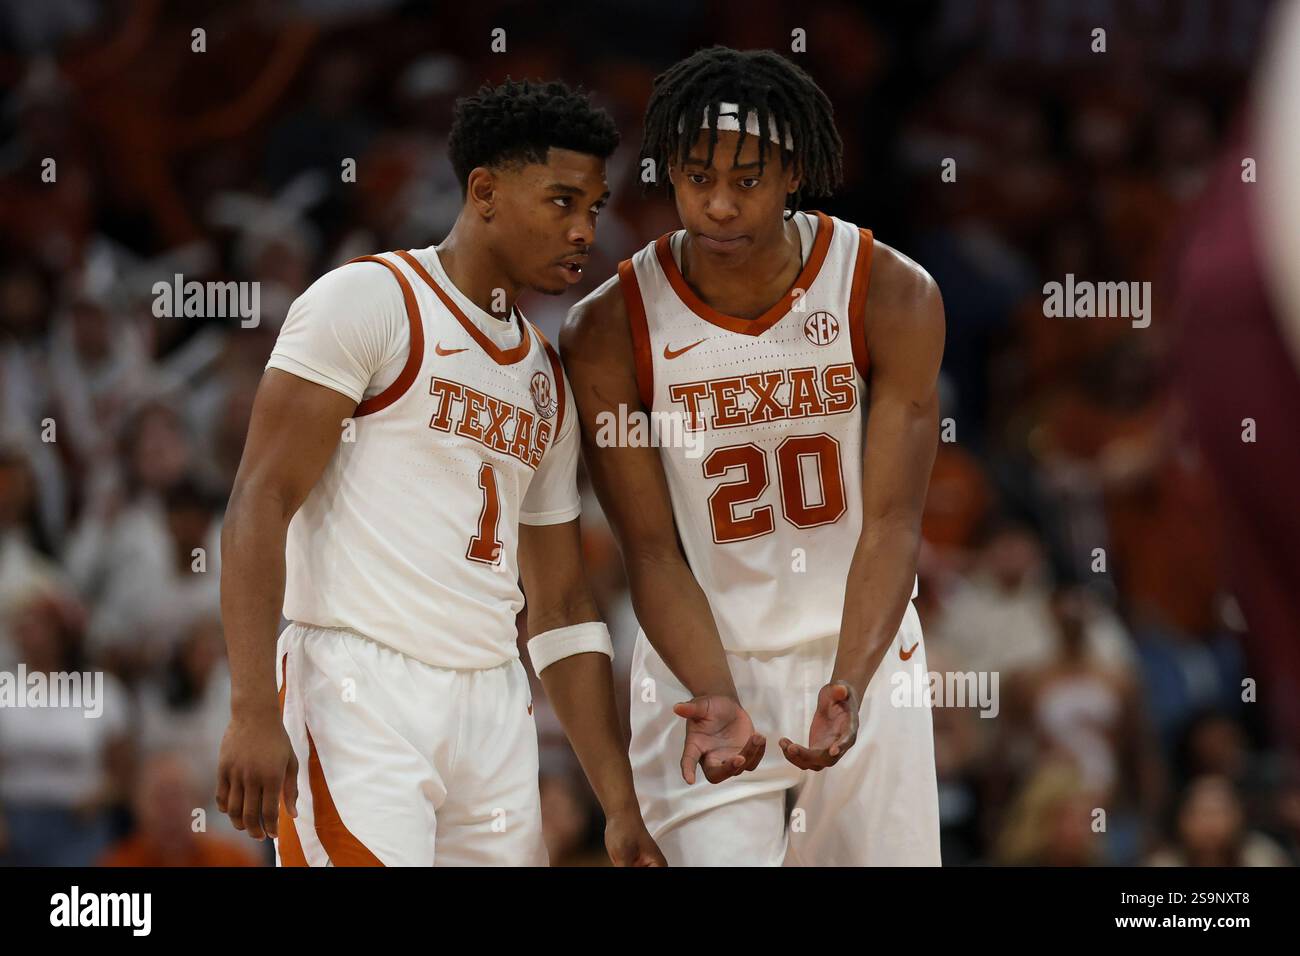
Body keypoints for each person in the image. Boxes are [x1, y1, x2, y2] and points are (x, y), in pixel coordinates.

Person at [216, 78, 663, 866]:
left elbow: (558, 602)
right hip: (360, 685)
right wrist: (252, 704)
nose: (583, 230)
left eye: (593, 208)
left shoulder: (545, 378)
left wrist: (618, 802)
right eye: (561, 202)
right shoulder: (369, 300)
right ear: (484, 191)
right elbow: (261, 498)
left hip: (493, 706)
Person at [562, 47, 944, 864]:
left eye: (747, 179)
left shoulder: (888, 290)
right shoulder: (605, 329)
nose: (721, 206)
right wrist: (718, 696)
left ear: (794, 170)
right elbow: (653, 553)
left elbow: (889, 524)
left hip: (860, 654)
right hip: (700, 666)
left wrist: (849, 683)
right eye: (697, 179)